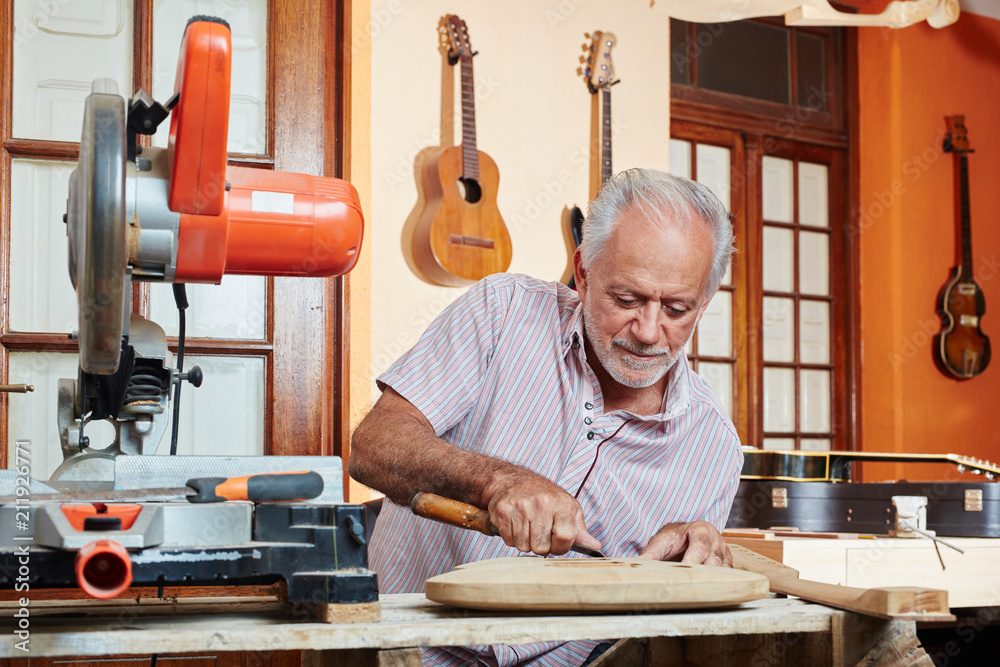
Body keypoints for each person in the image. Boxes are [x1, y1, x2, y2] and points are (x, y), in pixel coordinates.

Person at [349, 168, 743, 666]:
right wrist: (494, 481)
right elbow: (372, 447)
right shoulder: (502, 312)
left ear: (704, 303)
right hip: (402, 654)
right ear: (584, 273)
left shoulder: (714, 447)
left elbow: (662, 628)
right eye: (626, 300)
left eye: (677, 309)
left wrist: (700, 566)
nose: (648, 331)